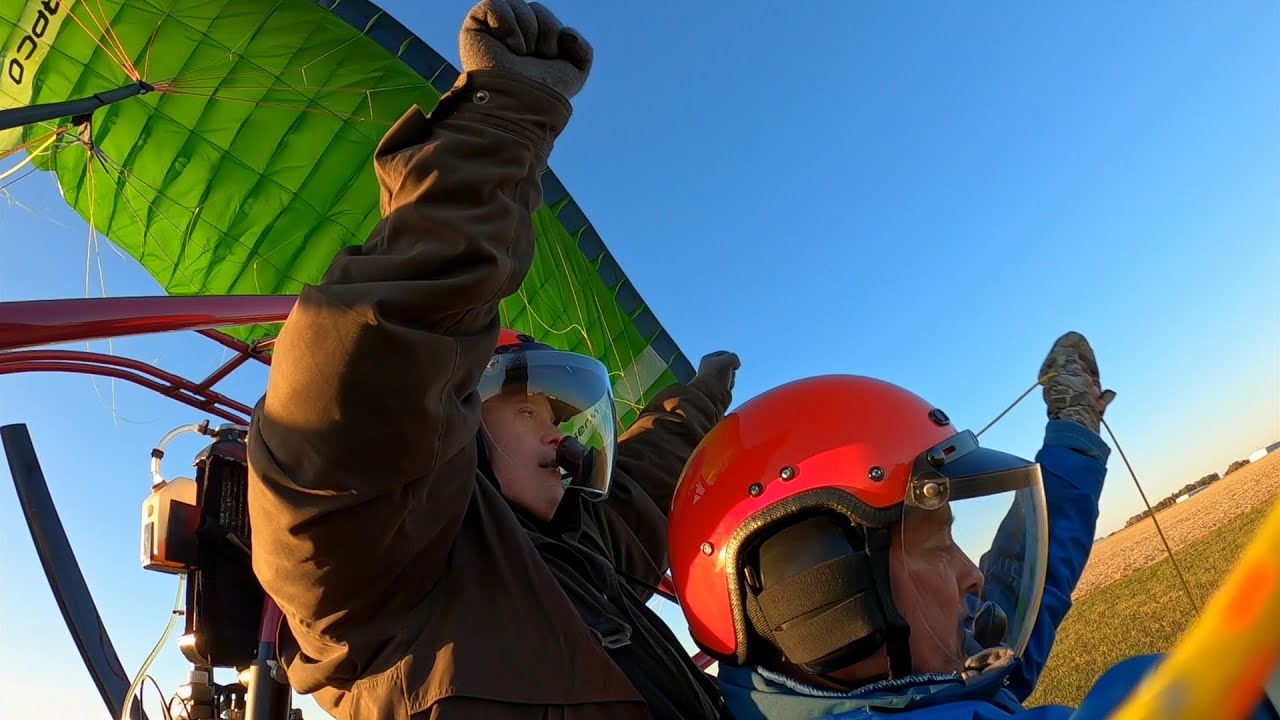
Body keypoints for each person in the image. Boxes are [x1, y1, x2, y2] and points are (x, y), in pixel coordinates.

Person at [246, 2, 733, 717]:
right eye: (526, 409)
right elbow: (384, 344)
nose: (556, 435)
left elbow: (649, 476)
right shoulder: (382, 572)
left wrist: (701, 404)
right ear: (458, 423)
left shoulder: (591, 548)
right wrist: (502, 123)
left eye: (557, 415)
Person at [666, 332, 1122, 719]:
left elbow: (1016, 589)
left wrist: (1074, 438)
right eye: (937, 544)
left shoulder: (916, 682)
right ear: (825, 596)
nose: (976, 577)